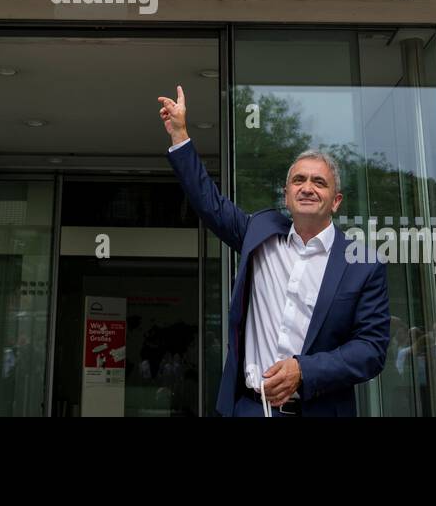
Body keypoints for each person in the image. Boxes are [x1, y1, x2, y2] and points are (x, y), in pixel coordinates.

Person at [159, 85, 389, 416]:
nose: (307, 187)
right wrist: (180, 134)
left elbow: (371, 349)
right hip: (250, 408)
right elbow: (209, 203)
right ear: (287, 193)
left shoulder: (363, 263)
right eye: (299, 180)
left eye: (319, 183)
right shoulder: (259, 233)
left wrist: (303, 370)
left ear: (336, 201)